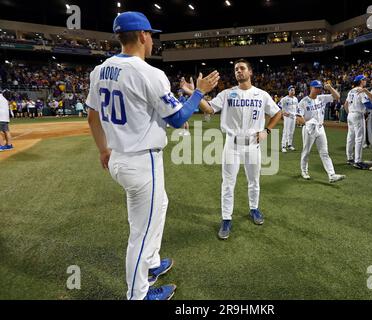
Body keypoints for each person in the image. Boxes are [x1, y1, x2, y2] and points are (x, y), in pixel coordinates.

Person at [86, 11, 219, 300]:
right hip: (141, 160)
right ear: (144, 36)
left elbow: (92, 117)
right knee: (141, 234)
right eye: (151, 36)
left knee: (160, 207)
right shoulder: (149, 73)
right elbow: (177, 117)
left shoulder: (100, 70)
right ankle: (138, 294)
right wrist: (199, 92)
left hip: (119, 157)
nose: (152, 41)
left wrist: (103, 149)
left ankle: (152, 262)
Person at [181, 59, 282, 240]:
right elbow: (210, 109)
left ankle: (254, 209)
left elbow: (277, 113)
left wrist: (267, 130)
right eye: (236, 69)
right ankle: (226, 218)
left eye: (242, 68)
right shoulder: (227, 94)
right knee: (228, 183)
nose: (239, 71)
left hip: (253, 145)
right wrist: (193, 92)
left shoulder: (262, 95)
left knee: (254, 180)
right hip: (232, 145)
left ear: (250, 72)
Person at [296, 80, 345, 183]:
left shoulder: (322, 98)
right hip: (309, 129)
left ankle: (331, 175)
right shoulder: (303, 102)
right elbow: (298, 118)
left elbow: (337, 97)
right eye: (316, 88)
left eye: (319, 88)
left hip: (320, 128)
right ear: (311, 88)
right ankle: (304, 171)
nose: (318, 89)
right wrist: (307, 123)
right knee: (306, 151)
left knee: (324, 152)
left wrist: (330, 88)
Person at [279, 85, 299, 152]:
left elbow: (297, 108)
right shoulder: (284, 99)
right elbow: (278, 107)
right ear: (288, 91)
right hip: (287, 117)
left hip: (293, 117)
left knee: (291, 131)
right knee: (286, 131)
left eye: (294, 90)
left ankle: (290, 145)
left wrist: (297, 117)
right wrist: (283, 113)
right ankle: (283, 146)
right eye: (291, 90)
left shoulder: (296, 99)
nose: (293, 91)